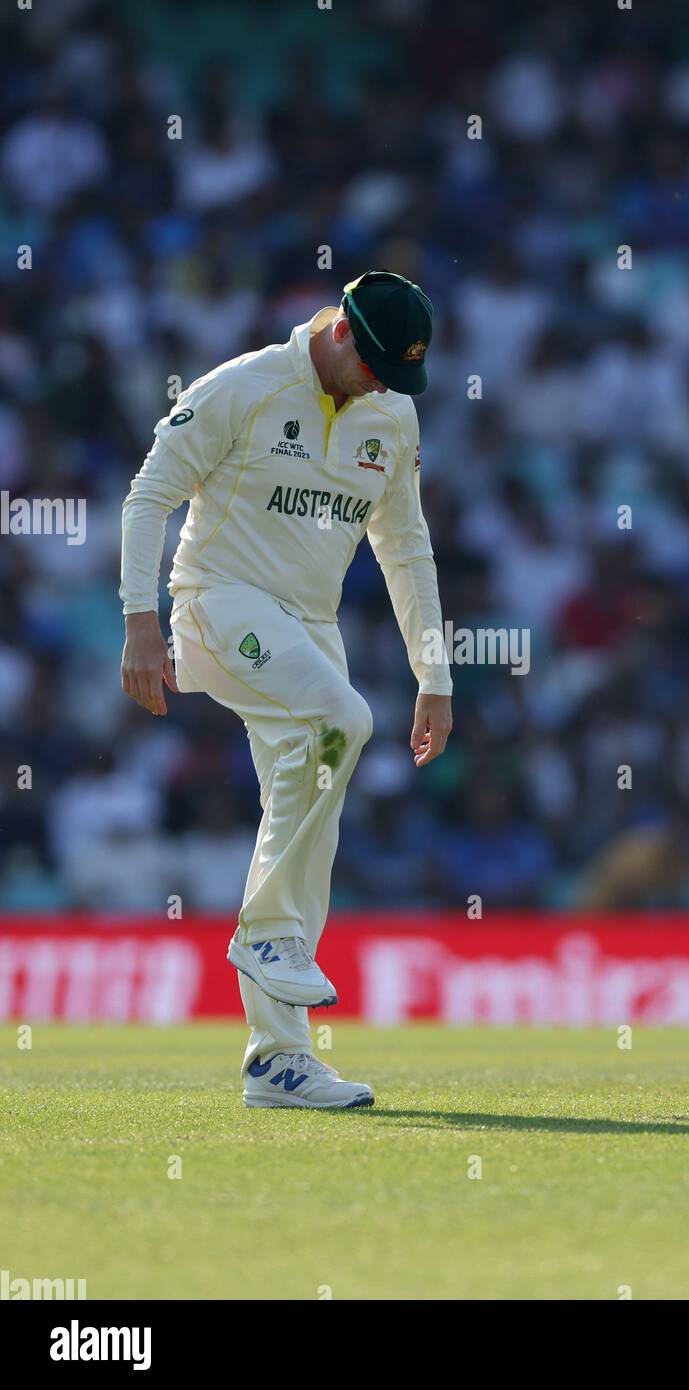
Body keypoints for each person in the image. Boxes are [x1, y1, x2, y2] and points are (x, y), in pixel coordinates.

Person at [119, 270, 453, 1108]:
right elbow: (148, 496)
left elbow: (406, 548)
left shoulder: (391, 413)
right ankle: (268, 935)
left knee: (310, 800)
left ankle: (279, 1060)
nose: (383, 384)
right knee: (345, 717)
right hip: (215, 604)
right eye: (375, 364)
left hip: (308, 627)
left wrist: (435, 673)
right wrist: (139, 622)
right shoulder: (245, 386)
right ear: (341, 331)